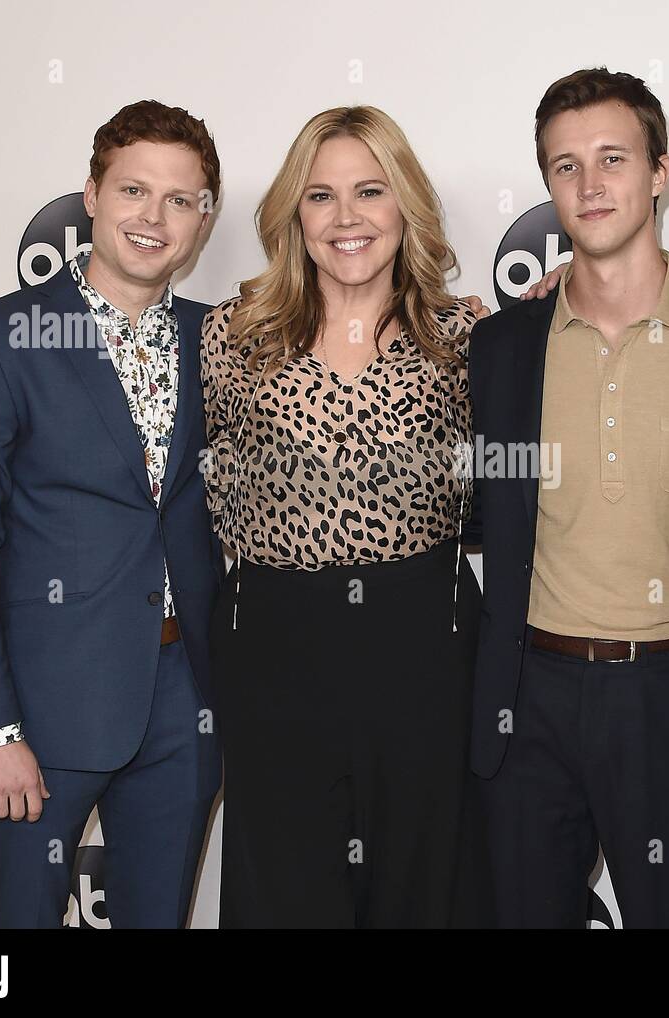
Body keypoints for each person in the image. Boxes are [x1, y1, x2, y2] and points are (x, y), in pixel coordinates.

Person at [0, 100, 225, 927]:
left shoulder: (222, 339)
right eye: (133, 190)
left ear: (204, 218)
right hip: (41, 712)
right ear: (90, 195)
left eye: (180, 200)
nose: (153, 218)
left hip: (185, 702)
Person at [469, 68, 669, 927]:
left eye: (612, 158)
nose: (589, 185)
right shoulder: (502, 346)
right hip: (527, 700)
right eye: (565, 166)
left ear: (659, 172)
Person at [201, 106, 493, 927]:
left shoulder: (465, 334)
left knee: (424, 881)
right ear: (295, 212)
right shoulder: (233, 334)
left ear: (406, 204)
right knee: (287, 887)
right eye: (321, 196)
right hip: (274, 646)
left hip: (424, 644)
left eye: (370, 191)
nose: (347, 218)